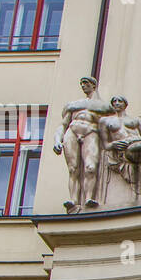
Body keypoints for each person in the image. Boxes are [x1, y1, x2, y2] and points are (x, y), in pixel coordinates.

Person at [54, 77, 111, 211]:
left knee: (90, 167)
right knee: (73, 168)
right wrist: (57, 139)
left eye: (85, 84)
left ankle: (89, 198)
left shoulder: (101, 106)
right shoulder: (74, 105)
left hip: (91, 131)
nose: (83, 86)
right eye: (81, 84)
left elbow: (110, 119)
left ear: (93, 85)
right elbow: (63, 125)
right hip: (72, 131)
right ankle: (73, 200)